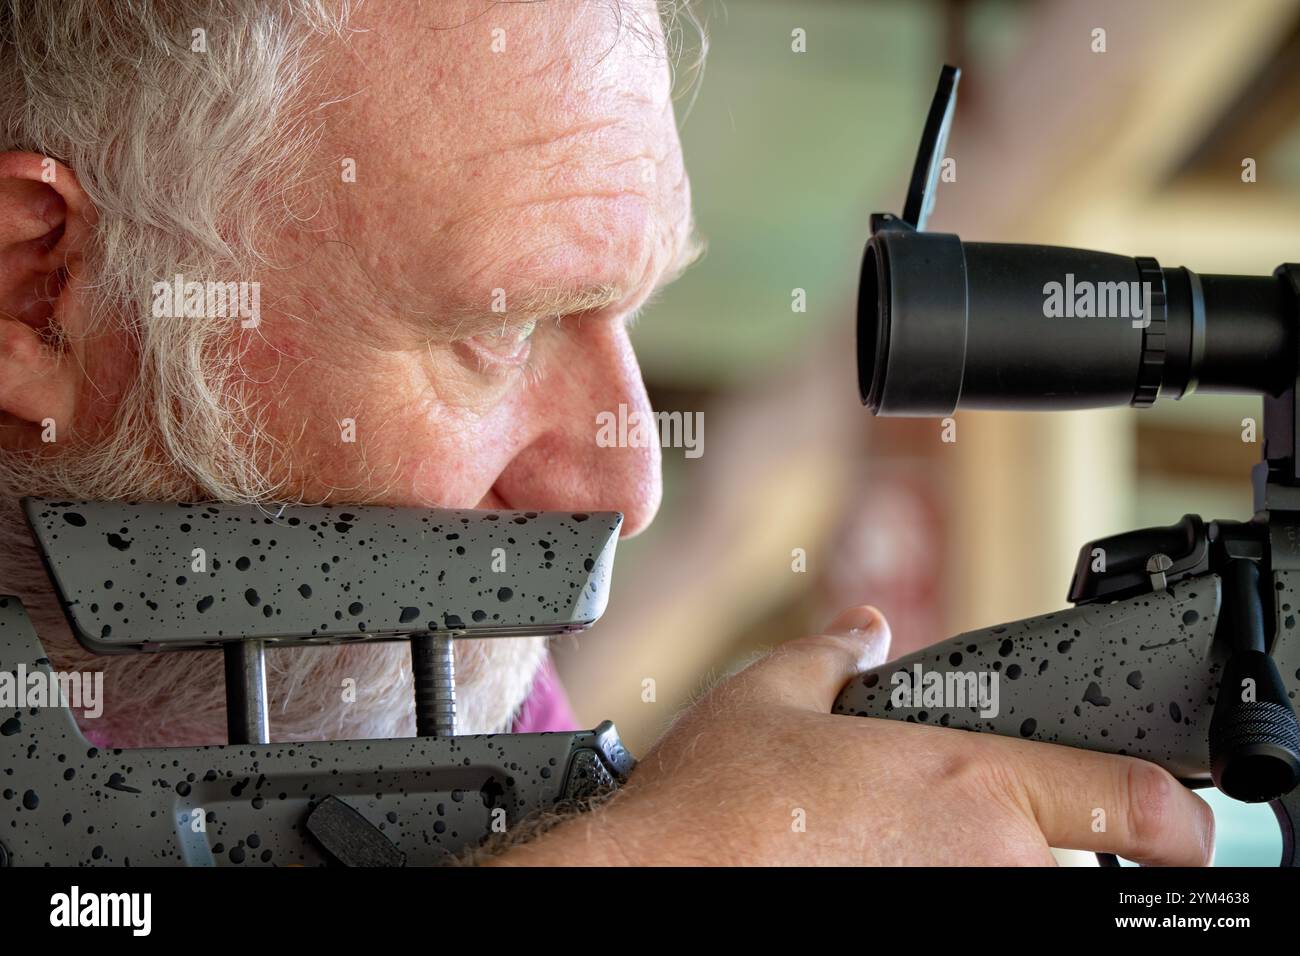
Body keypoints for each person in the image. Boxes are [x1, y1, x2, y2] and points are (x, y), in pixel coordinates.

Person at [0, 0, 1213, 865]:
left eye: (627, 314)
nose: (629, 483)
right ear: (41, 293)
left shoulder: (412, 702)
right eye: (503, 327)